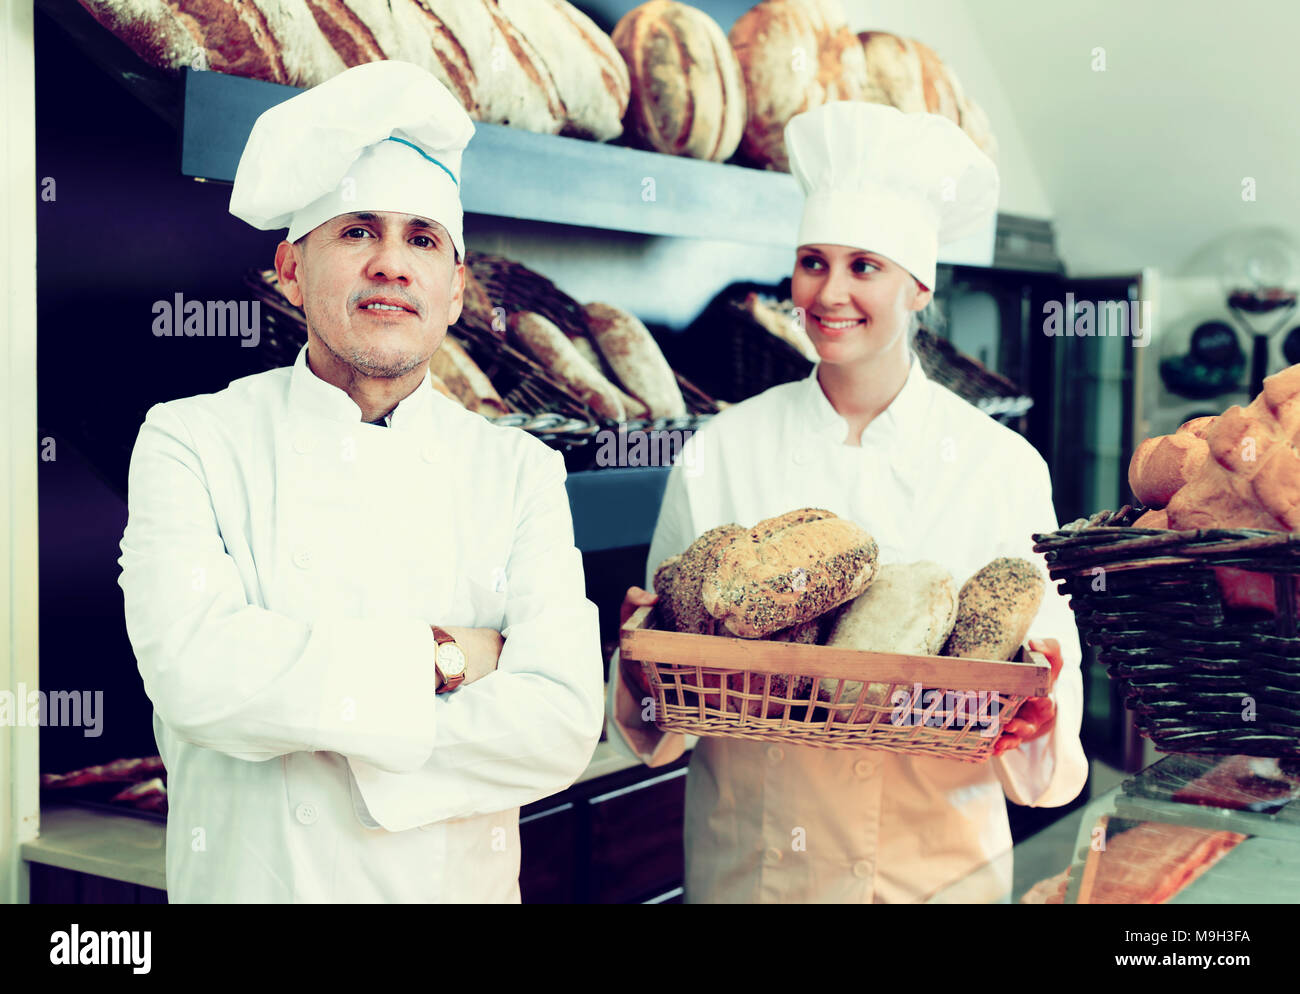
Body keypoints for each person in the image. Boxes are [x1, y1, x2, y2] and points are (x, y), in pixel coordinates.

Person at [117, 61, 603, 903]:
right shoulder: (191, 441)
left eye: (422, 239)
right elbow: (196, 677)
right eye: (356, 231)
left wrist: (303, 712)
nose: (391, 263)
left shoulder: (519, 470)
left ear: (455, 290)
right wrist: (451, 656)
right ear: (291, 270)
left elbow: (560, 726)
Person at [608, 101, 1088, 904]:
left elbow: (1043, 718)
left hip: (932, 875)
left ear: (919, 286)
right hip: (755, 873)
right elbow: (663, 714)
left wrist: (1037, 717)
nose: (829, 291)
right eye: (812, 261)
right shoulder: (721, 450)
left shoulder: (999, 465)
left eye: (865, 265)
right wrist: (643, 662)